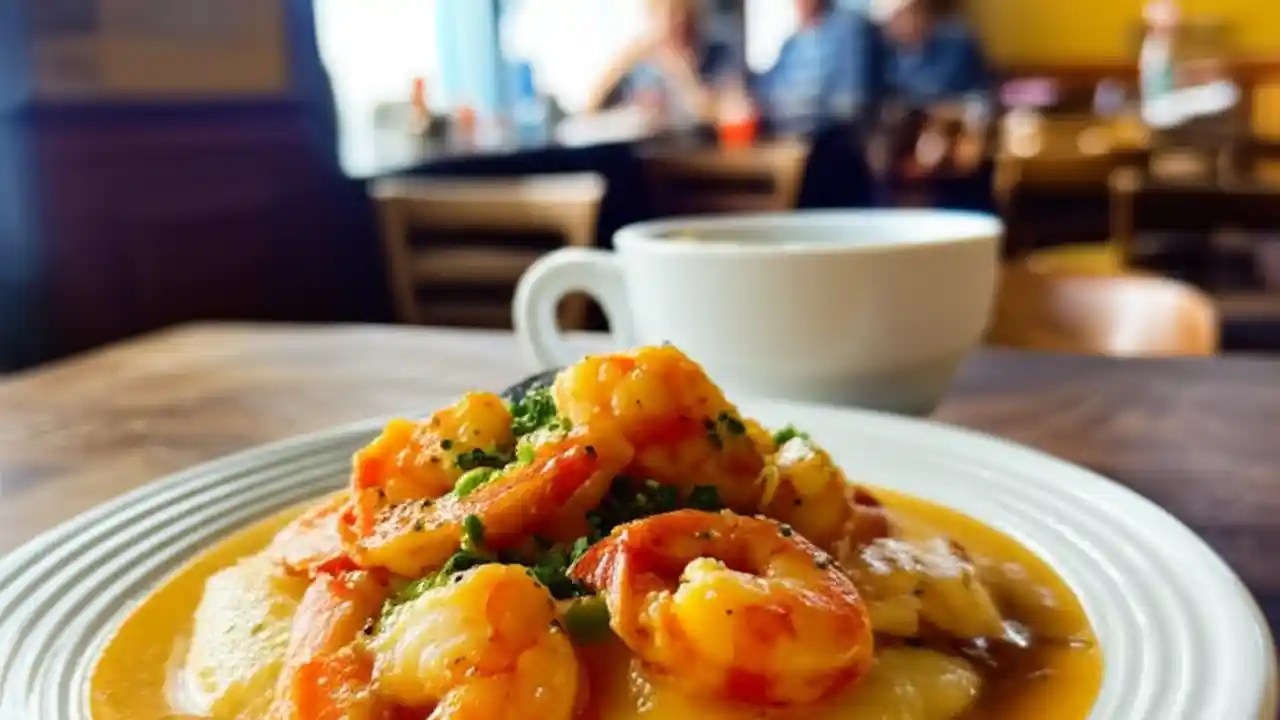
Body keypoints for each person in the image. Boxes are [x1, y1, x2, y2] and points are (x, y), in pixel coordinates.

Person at [583, 0, 730, 122]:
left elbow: (718, 115)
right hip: (646, 146)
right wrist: (624, 59)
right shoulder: (642, 62)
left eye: (683, 12)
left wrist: (681, 72)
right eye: (668, 13)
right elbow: (590, 108)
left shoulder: (718, 54)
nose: (678, 21)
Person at [755, 0, 884, 123]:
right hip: (785, 128)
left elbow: (850, 102)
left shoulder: (850, 29)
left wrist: (797, 110)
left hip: (828, 132)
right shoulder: (792, 43)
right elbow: (766, 88)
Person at [872, 0, 990, 108]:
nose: (903, 23)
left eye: (911, 13)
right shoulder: (888, 60)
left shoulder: (956, 46)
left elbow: (979, 98)